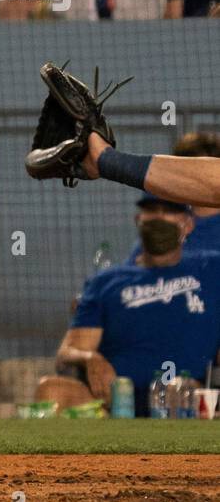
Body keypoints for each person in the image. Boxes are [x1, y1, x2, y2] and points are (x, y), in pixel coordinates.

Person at [34, 194, 220, 416]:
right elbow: (68, 352)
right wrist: (90, 358)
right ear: (138, 219)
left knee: (176, 388)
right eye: (152, 211)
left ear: (188, 224)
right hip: (111, 398)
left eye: (169, 211)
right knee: (51, 389)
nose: (159, 218)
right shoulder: (106, 281)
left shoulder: (210, 268)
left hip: (182, 395)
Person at [123, 134, 220, 261]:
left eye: (202, 171)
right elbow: (136, 267)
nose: (195, 178)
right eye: (185, 172)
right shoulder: (169, 221)